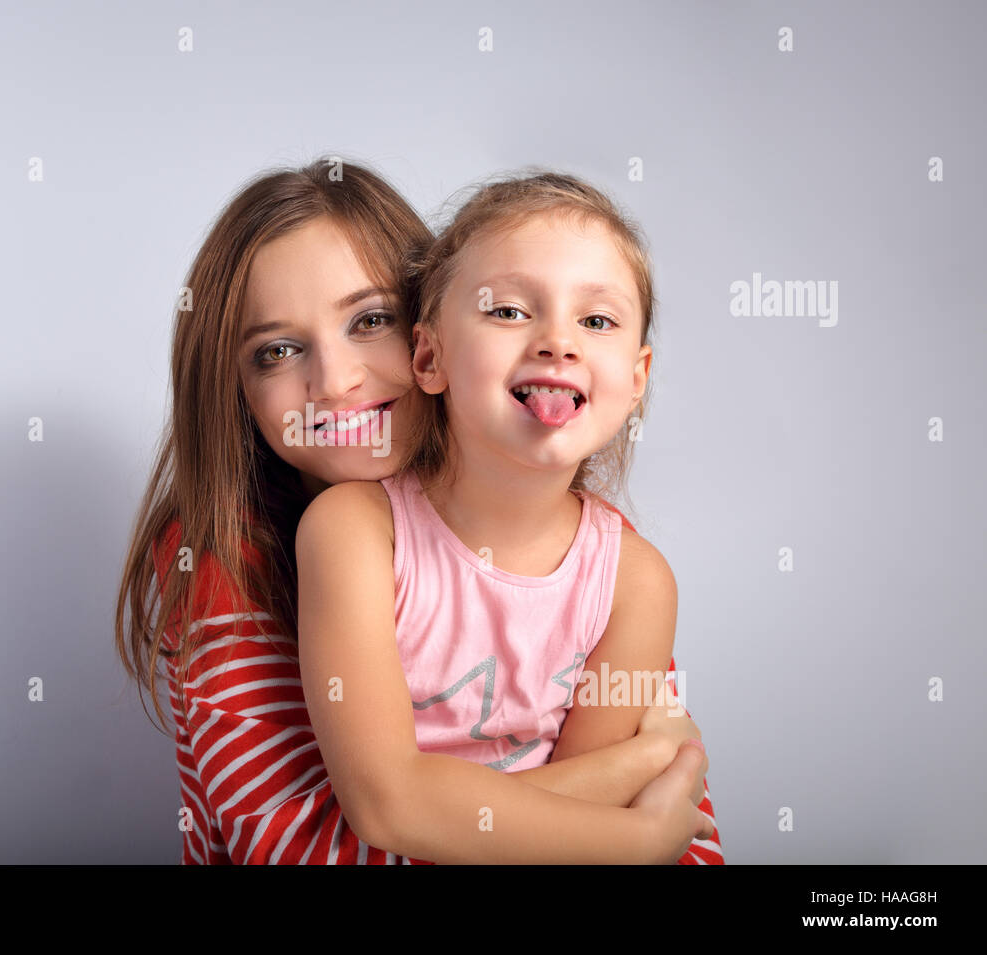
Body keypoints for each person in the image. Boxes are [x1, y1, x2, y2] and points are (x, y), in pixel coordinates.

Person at [116, 159, 723, 864]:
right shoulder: (227, 559)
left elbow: (686, 828)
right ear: (235, 389)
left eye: (370, 320)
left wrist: (636, 805)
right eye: (277, 351)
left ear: (426, 335)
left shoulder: (605, 565)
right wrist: (632, 807)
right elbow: (318, 845)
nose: (336, 381)